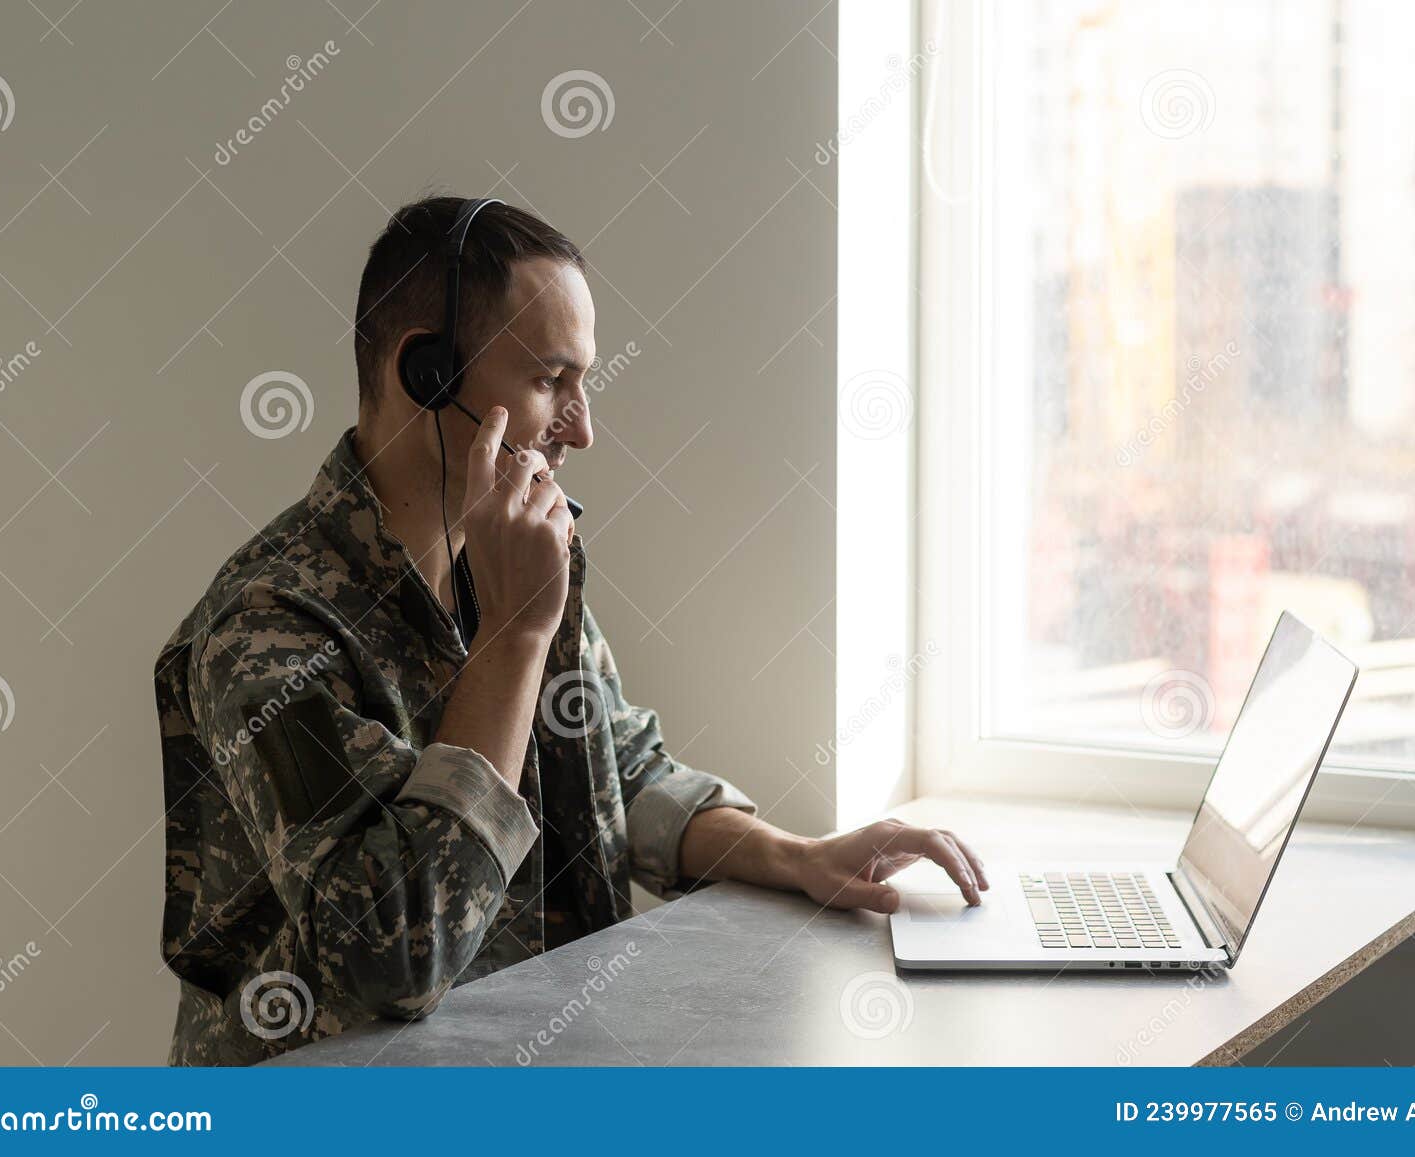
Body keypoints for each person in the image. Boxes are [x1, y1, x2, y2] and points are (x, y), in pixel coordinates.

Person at [154, 196, 987, 1065]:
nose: (582, 429)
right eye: (551, 380)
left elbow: (615, 769)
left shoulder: (506, 552)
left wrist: (798, 856)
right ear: (427, 373)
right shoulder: (268, 627)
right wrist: (513, 640)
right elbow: (393, 952)